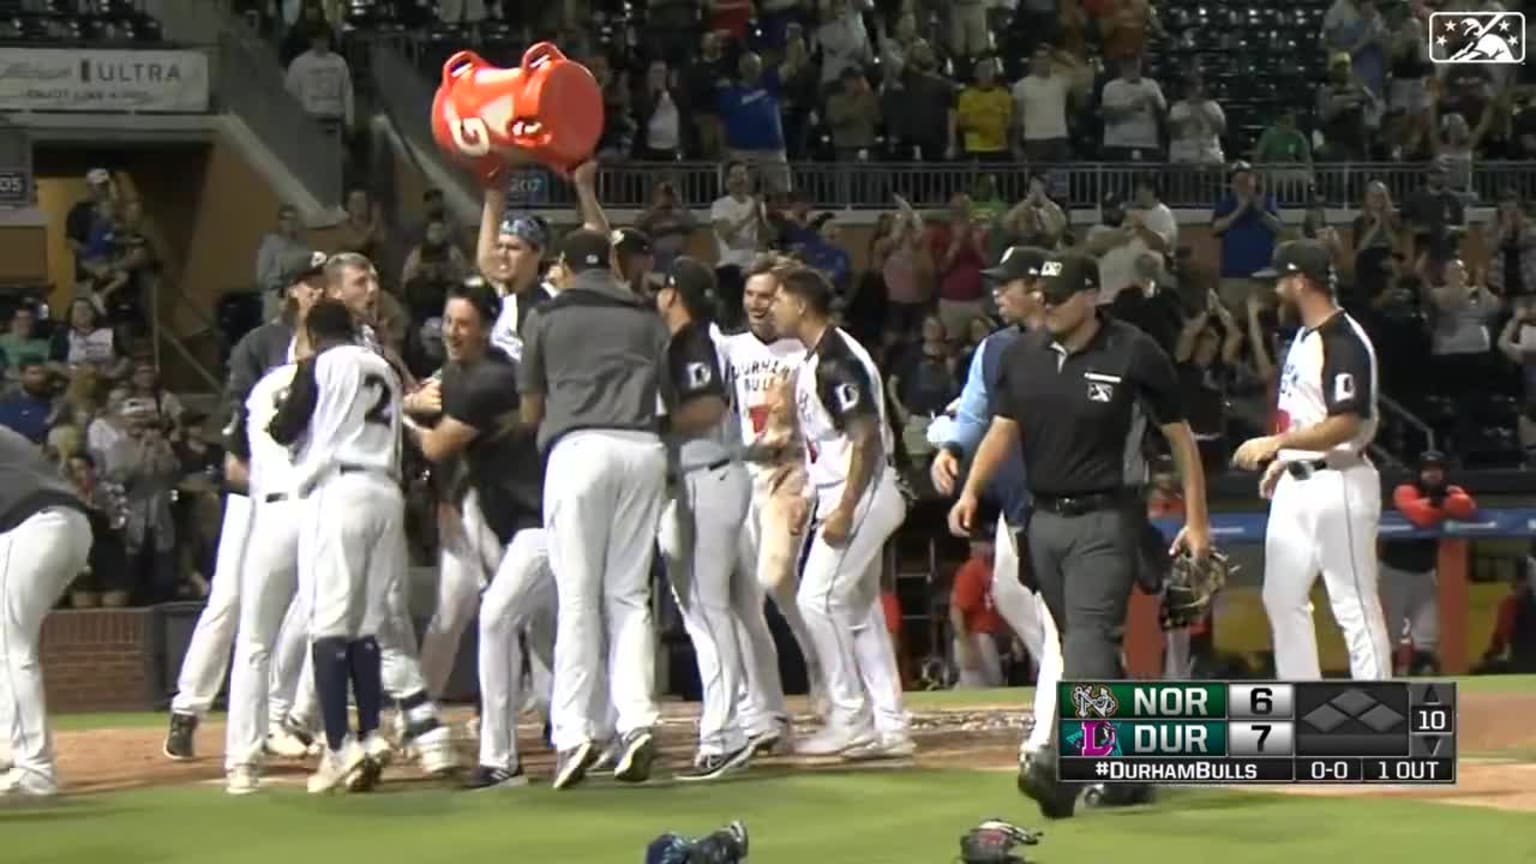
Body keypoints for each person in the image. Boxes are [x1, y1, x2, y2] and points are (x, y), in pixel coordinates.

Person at [950, 251, 1212, 820]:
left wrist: (1196, 521)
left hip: (1107, 517)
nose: (1046, 306)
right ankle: (1125, 768)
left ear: (1091, 296)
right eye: (1042, 296)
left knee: (1090, 639)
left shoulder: (1133, 352)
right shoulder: (1022, 355)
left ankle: (1066, 766)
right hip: (1042, 520)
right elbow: (1002, 427)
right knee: (1083, 648)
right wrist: (972, 490)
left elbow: (1180, 438)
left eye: (1058, 297)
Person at [518, 229, 670, 790]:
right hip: (643, 447)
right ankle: (637, 722)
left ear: (564, 265)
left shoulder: (546, 317)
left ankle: (574, 732)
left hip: (579, 447)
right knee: (628, 596)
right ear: (610, 262)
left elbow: (531, 410)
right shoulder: (645, 314)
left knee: (578, 596)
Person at [162, 248, 327, 761]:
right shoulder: (260, 344)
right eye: (308, 281)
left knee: (307, 606)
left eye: (322, 279)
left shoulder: (338, 345)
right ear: (288, 291)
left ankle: (283, 717)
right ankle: (188, 708)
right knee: (230, 599)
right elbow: (238, 423)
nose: (318, 288)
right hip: (254, 490)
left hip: (310, 493)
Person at [402, 280, 554, 790]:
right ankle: (540, 742)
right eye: (448, 322)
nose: (452, 332)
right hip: (509, 520)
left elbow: (435, 446)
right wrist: (414, 401)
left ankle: (513, 753)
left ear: (487, 327)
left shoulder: (492, 378)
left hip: (539, 519)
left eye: (463, 324)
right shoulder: (460, 373)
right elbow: (433, 398)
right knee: (527, 627)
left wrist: (402, 413)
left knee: (512, 622)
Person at [1232, 239, 1392, 681]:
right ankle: (1302, 698)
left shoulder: (1343, 340)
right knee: (1282, 598)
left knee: (1353, 604)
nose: (1275, 288)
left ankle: (1378, 708)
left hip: (1339, 481)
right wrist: (1287, 459)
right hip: (1298, 484)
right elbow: (1310, 412)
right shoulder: (1306, 335)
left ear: (1301, 282)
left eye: (1280, 280)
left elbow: (1346, 422)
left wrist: (1276, 443)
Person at [770, 267, 913, 760]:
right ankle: (890, 725)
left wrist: (846, 508)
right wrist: (810, 496)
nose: (773, 308)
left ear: (801, 305)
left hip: (864, 491)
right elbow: (826, 445)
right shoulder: (817, 358)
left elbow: (865, 436)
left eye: (780, 299)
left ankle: (850, 718)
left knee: (817, 600)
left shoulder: (836, 359)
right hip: (847, 490)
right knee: (858, 609)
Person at [267, 298, 405, 794]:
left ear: (312, 333)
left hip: (339, 489)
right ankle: (369, 735)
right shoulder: (383, 368)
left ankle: (339, 748)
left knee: (327, 626)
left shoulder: (319, 364)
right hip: (386, 493)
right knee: (364, 627)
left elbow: (284, 427)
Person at [655, 257, 761, 780]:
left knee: (708, 606)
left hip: (710, 474)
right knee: (704, 609)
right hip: (697, 480)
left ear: (675, 293)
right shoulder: (691, 340)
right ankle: (734, 722)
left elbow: (707, 408)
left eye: (662, 287)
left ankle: (725, 733)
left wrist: (649, 422)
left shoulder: (694, 340)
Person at [713, 253, 822, 728]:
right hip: (743, 475)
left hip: (788, 473)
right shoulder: (729, 348)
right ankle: (762, 706)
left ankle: (821, 666)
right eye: (751, 295)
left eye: (767, 296)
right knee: (745, 596)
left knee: (777, 580)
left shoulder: (805, 350)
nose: (758, 304)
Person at [220, 354, 311, 795]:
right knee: (334, 627)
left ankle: (241, 762)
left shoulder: (262, 388)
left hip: (271, 512)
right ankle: (314, 729)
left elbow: (234, 469)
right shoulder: (338, 373)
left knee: (254, 642)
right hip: (320, 508)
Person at [0, 426, 92, 798]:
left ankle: (35, 771)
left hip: (32, 527)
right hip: (68, 527)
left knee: (10, 649)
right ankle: (9, 745)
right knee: (9, 644)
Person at [1384, 450, 1476, 676]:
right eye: (1427, 469)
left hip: (1425, 573)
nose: (1432, 474)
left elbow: (1467, 506)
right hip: (1393, 573)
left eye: (1437, 469)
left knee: (1427, 632)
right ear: (1419, 472)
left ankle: (1423, 674)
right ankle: (1387, 676)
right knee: (1390, 632)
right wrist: (1442, 506)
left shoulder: (1450, 489)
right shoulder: (1405, 489)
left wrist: (1438, 502)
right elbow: (1420, 516)